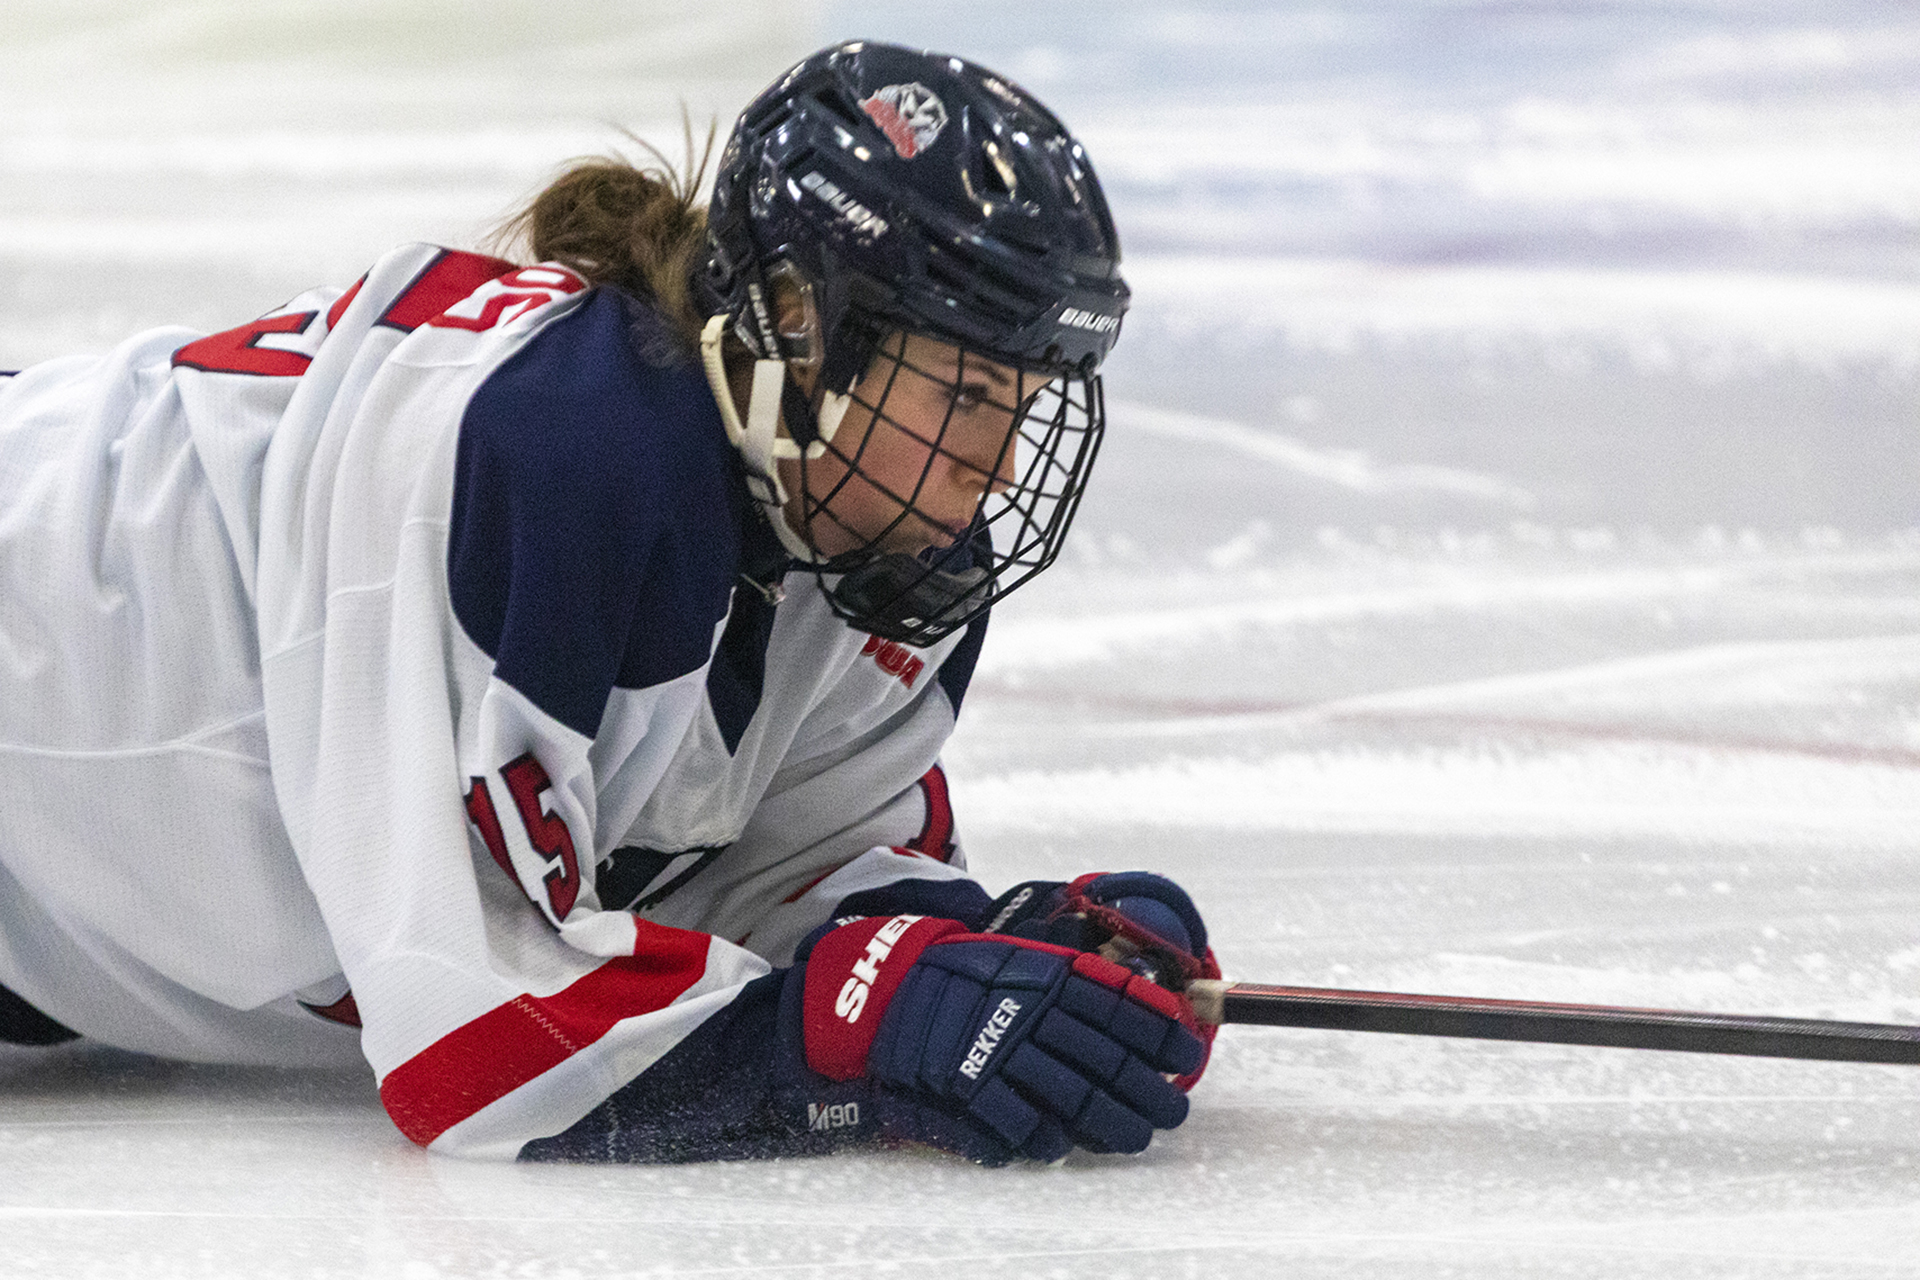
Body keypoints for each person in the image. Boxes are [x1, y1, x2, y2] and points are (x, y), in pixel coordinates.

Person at [0, 40, 1220, 1164]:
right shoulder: (573, 457)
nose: (999, 463)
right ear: (798, 326)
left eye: (1025, 398)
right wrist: (861, 1025)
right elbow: (477, 1035)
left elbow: (756, 876)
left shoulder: (869, 542)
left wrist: (982, 948)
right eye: (962, 395)